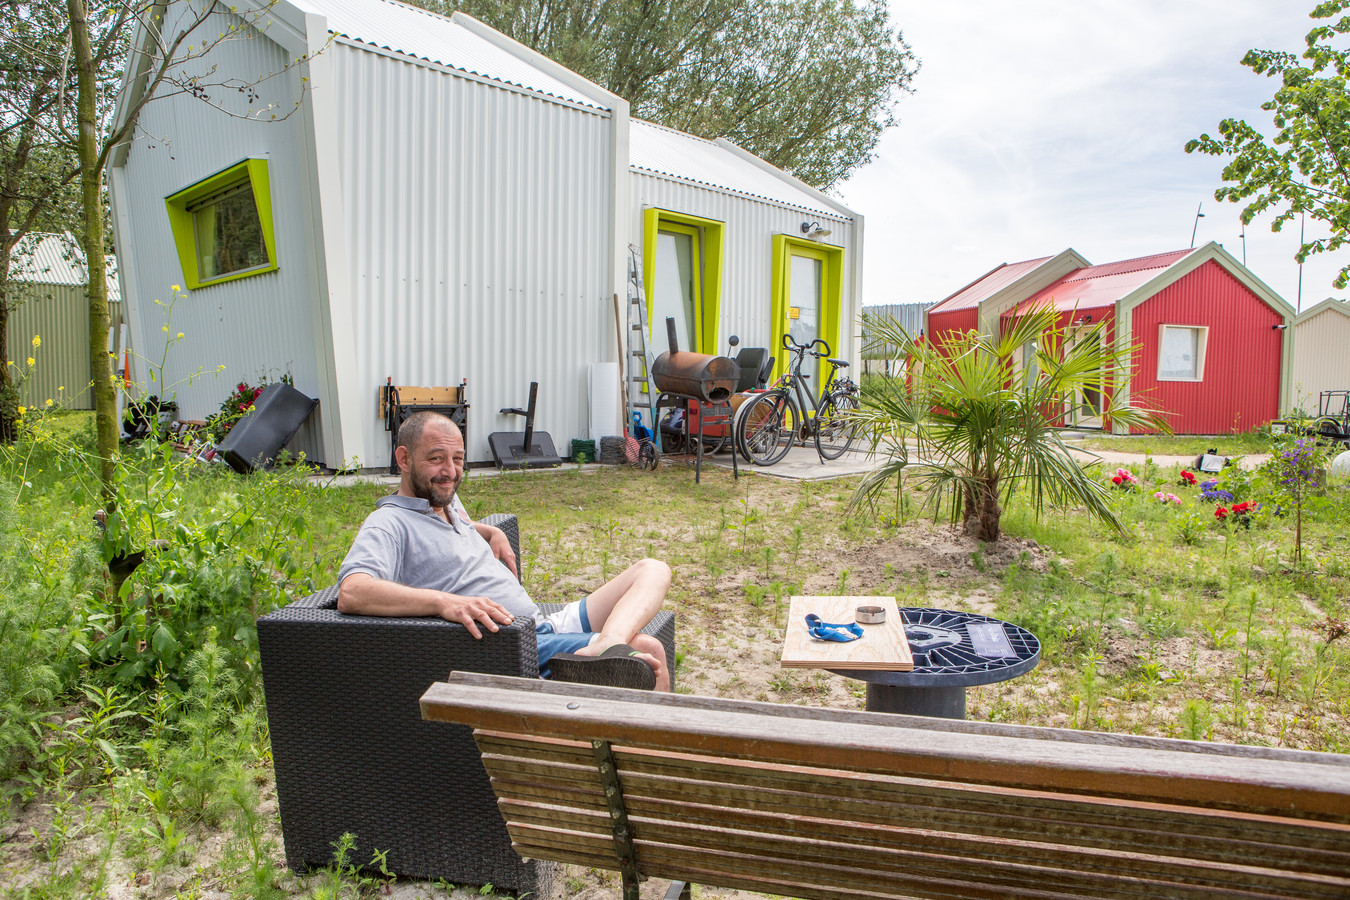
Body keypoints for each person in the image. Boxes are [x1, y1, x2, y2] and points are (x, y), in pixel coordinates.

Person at [337, 411, 671, 691]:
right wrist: (444, 602)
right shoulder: (388, 523)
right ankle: (655, 765)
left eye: (457, 459)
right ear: (404, 459)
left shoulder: (447, 502)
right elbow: (352, 592)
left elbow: (445, 531)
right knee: (646, 649)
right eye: (436, 459)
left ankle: (606, 642)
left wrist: (487, 529)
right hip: (513, 644)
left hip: (544, 622)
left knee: (653, 569)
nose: (450, 472)